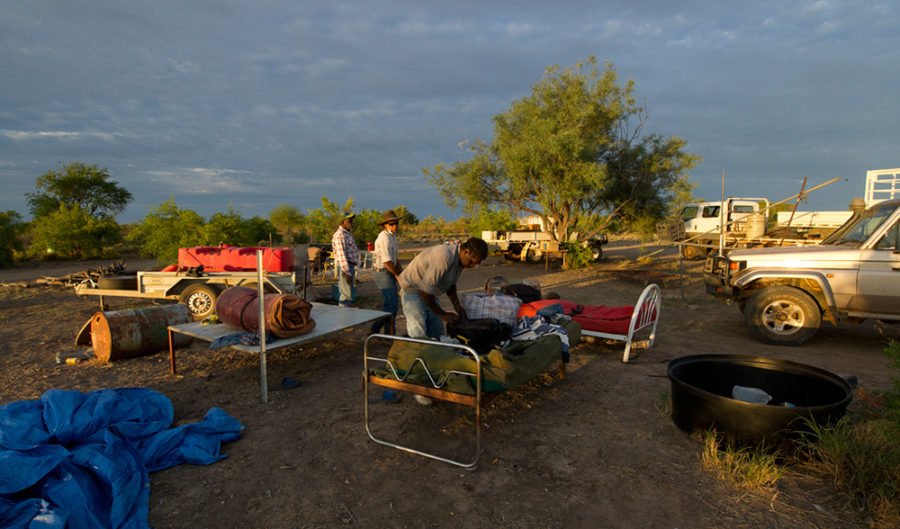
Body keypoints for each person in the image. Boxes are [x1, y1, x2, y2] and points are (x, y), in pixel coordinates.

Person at [398, 237, 489, 339]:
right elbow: (425, 289)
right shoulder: (445, 256)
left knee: (438, 333)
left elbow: (450, 285)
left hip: (429, 293)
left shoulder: (460, 260)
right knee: (419, 333)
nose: (472, 266)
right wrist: (442, 314)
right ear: (466, 252)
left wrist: (457, 306)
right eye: (471, 262)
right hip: (413, 289)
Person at [370, 209, 403, 334]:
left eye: (396, 223)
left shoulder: (393, 237)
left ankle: (385, 332)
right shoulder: (384, 238)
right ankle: (382, 332)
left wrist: (401, 271)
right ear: (385, 225)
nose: (395, 226)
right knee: (391, 304)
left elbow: (394, 258)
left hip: (389, 270)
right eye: (391, 224)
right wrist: (397, 275)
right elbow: (387, 262)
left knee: (391, 304)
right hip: (382, 271)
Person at [331, 212, 360, 307]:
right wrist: (347, 272)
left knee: (348, 294)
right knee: (345, 295)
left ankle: (346, 314)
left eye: (352, 221)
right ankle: (343, 315)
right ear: (342, 222)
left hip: (349, 266)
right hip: (345, 267)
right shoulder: (339, 235)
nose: (351, 223)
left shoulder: (347, 234)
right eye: (349, 221)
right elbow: (341, 255)